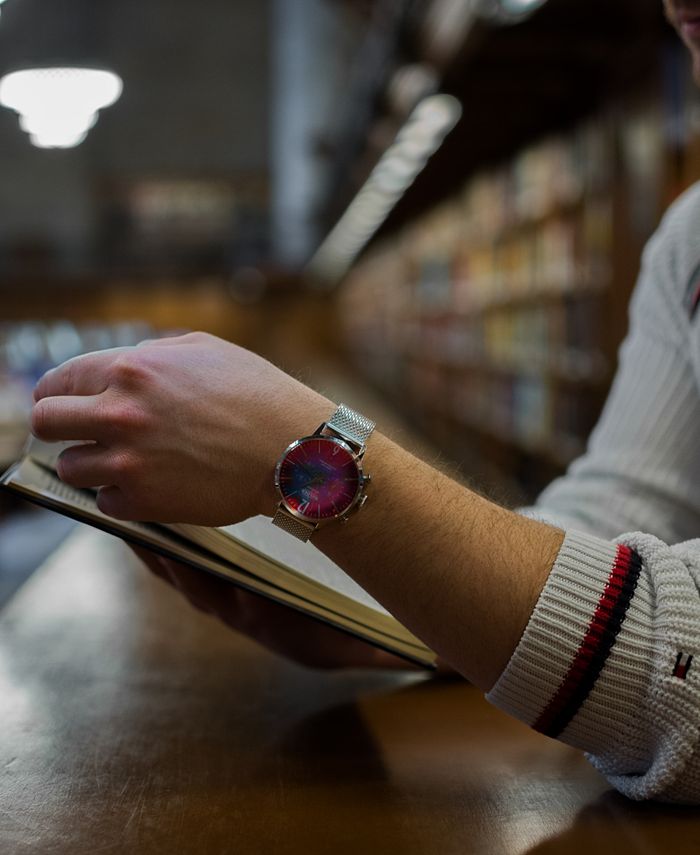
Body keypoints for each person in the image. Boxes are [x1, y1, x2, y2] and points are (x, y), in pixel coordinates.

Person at [28, 0, 700, 804]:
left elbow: (678, 673)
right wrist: (406, 606)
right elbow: (619, 512)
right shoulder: (687, 237)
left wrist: (310, 457)